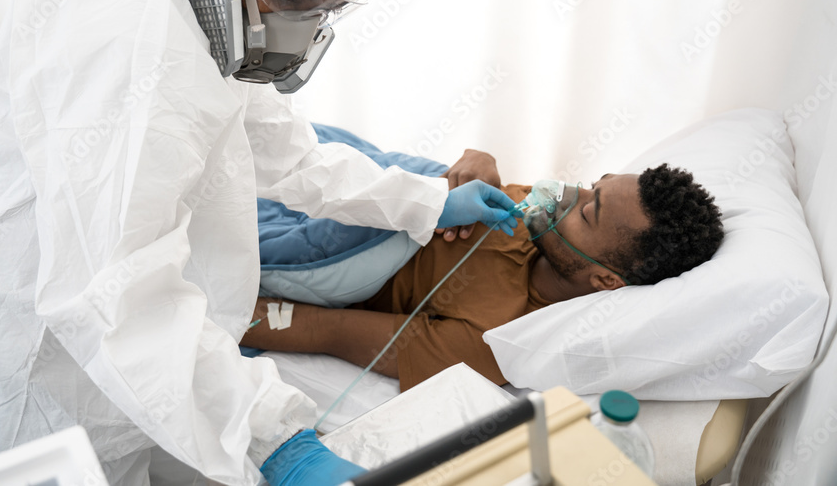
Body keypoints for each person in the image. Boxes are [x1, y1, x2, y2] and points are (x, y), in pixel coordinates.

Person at [0, 0, 518, 485]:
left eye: (327, 8)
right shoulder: (129, 57)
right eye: (296, 1)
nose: (304, 30)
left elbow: (288, 155)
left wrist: (427, 200)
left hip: (105, 328)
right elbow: (122, 292)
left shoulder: (209, 12)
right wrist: (278, 440)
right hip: (16, 346)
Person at [241, 159, 725, 390]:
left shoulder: (492, 338)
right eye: (590, 184)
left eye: (586, 210)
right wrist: (473, 165)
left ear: (605, 280)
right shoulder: (531, 222)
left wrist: (221, 312)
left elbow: (320, 329)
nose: (564, 193)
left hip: (322, 245)